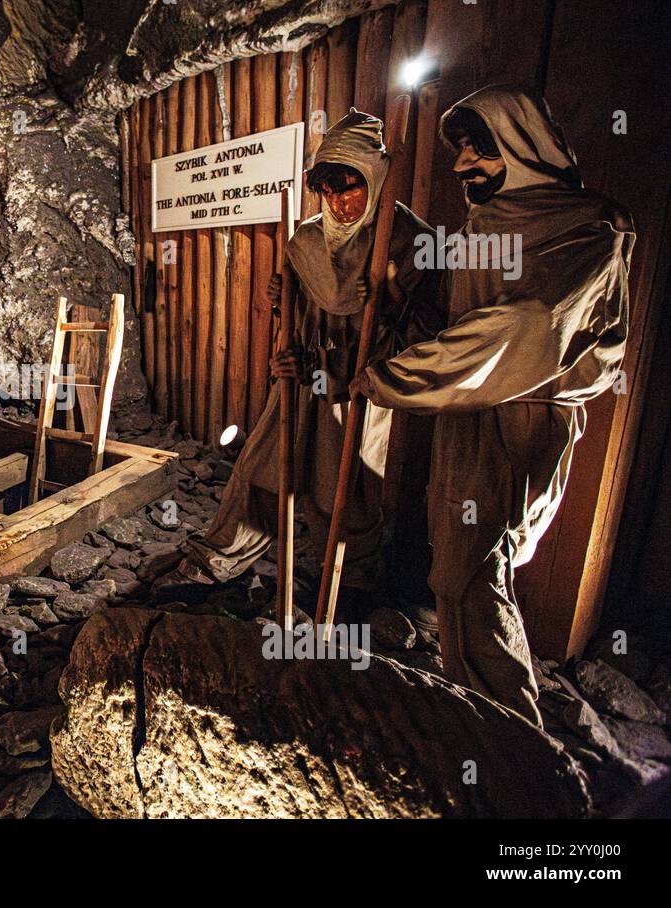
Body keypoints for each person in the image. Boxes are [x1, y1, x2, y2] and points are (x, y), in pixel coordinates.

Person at [351, 86, 633, 725]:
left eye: (479, 147)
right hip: (467, 417)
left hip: (521, 416)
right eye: (459, 150)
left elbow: (523, 331)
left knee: (472, 571)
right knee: (458, 564)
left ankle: (504, 736)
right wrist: (395, 294)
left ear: (523, 142)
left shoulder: (589, 229)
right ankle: (476, 708)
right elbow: (456, 316)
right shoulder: (484, 226)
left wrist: (395, 378)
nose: (461, 165)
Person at [169, 110, 440, 612]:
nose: (338, 203)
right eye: (328, 190)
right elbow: (301, 313)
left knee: (343, 487)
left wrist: (391, 304)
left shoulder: (410, 241)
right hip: (304, 378)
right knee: (263, 466)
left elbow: (431, 333)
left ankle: (347, 585)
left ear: (375, 179)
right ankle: (219, 562)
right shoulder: (310, 239)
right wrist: (285, 318)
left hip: (361, 384)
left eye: (350, 188)